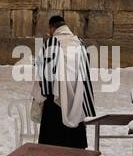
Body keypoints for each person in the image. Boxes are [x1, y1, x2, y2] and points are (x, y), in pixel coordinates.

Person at [33, 15, 95, 149]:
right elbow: (85, 69)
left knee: (52, 142)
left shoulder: (51, 42)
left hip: (55, 99)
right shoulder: (80, 42)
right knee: (74, 140)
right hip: (77, 95)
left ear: (52, 27)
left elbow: (42, 69)